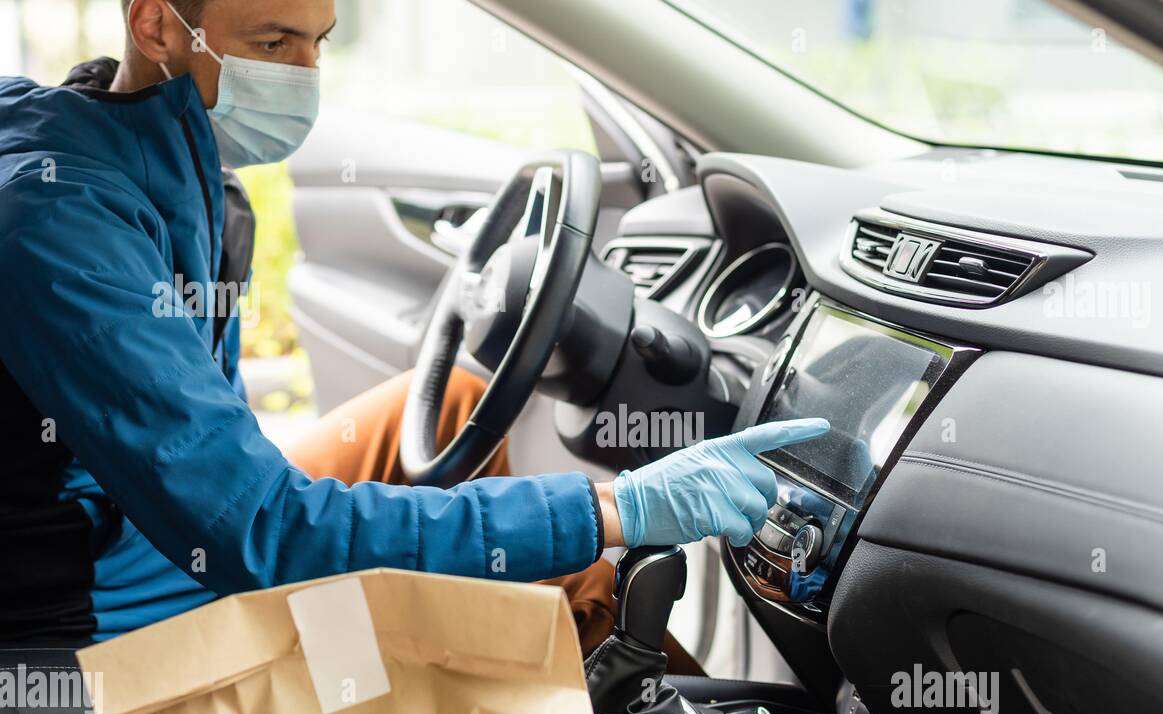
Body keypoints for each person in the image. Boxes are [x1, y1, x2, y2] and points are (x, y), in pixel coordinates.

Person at [0, 0, 827, 667]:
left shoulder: (142, 141)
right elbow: (263, 530)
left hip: (160, 524)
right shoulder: (58, 228)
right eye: (273, 41)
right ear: (156, 26)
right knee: (563, 573)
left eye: (320, 41)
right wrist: (622, 506)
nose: (304, 76)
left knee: (456, 402)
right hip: (104, 608)